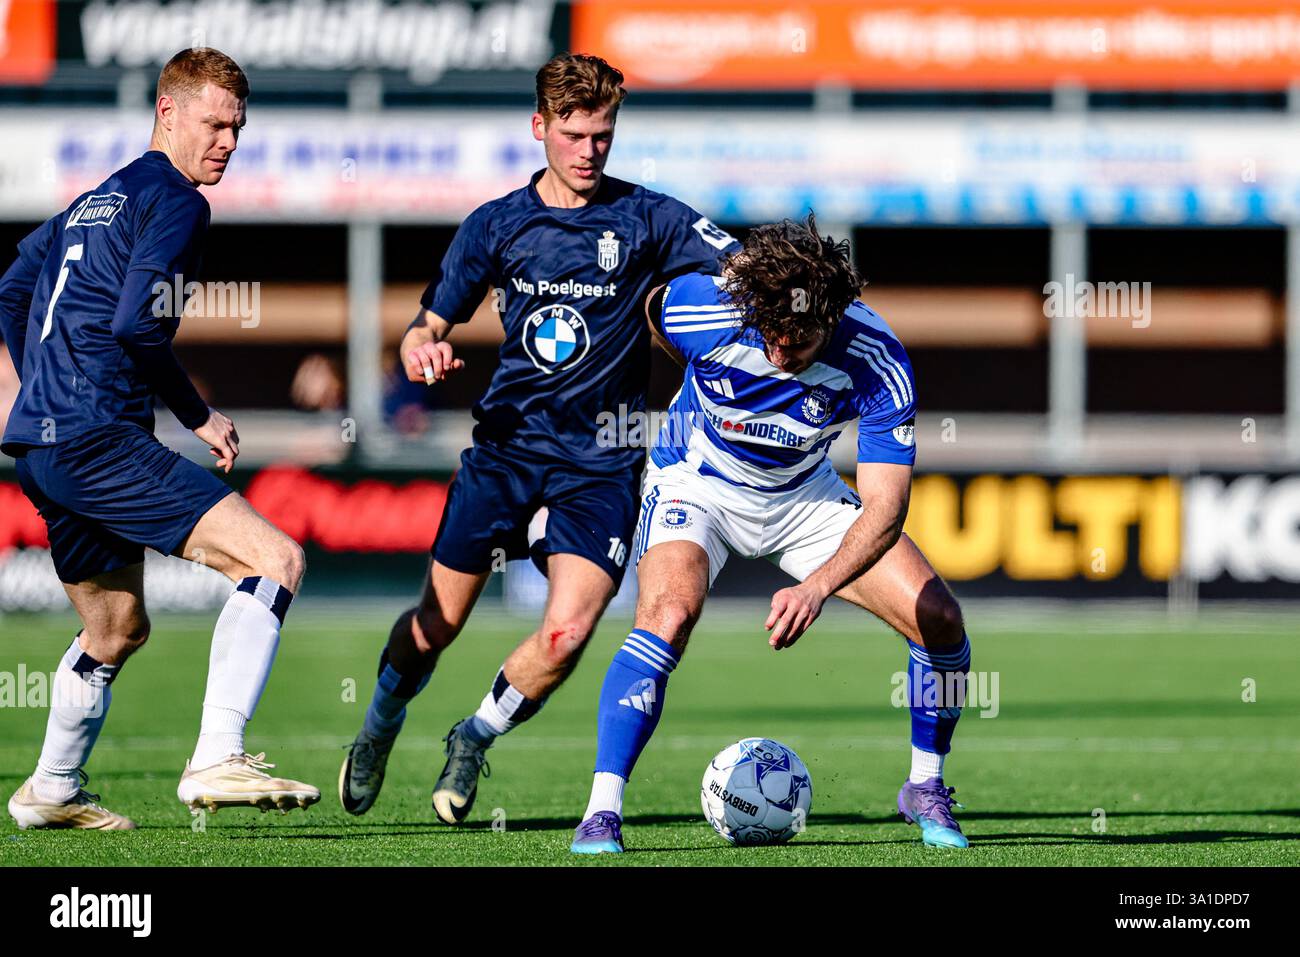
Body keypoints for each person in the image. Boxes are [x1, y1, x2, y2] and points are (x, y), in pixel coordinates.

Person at [339, 53, 740, 825]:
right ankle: (380, 725)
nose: (590, 150)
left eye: (603, 134)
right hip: (506, 451)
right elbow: (428, 323)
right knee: (437, 624)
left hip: (603, 463)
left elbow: (738, 262)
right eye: (575, 133)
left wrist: (791, 287)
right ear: (540, 128)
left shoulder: (650, 218)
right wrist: (419, 347)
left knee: (565, 632)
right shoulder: (495, 225)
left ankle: (474, 733)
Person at [570, 214, 973, 854]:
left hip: (804, 496)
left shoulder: (877, 359)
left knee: (941, 620)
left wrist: (816, 587)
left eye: (800, 340)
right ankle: (602, 810)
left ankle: (925, 785)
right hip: (695, 482)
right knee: (668, 614)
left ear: (833, 317)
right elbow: (648, 309)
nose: (781, 354)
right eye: (771, 337)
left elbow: (886, 510)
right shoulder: (707, 310)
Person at [1, 47, 319, 830]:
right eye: (214, 122)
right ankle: (217, 753)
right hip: (96, 436)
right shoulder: (177, 201)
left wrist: (32, 385)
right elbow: (135, 324)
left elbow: (11, 286)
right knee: (275, 559)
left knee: (115, 627)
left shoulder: (93, 201)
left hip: (41, 446)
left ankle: (50, 787)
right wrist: (199, 415)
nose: (228, 142)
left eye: (237, 128)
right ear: (167, 111)